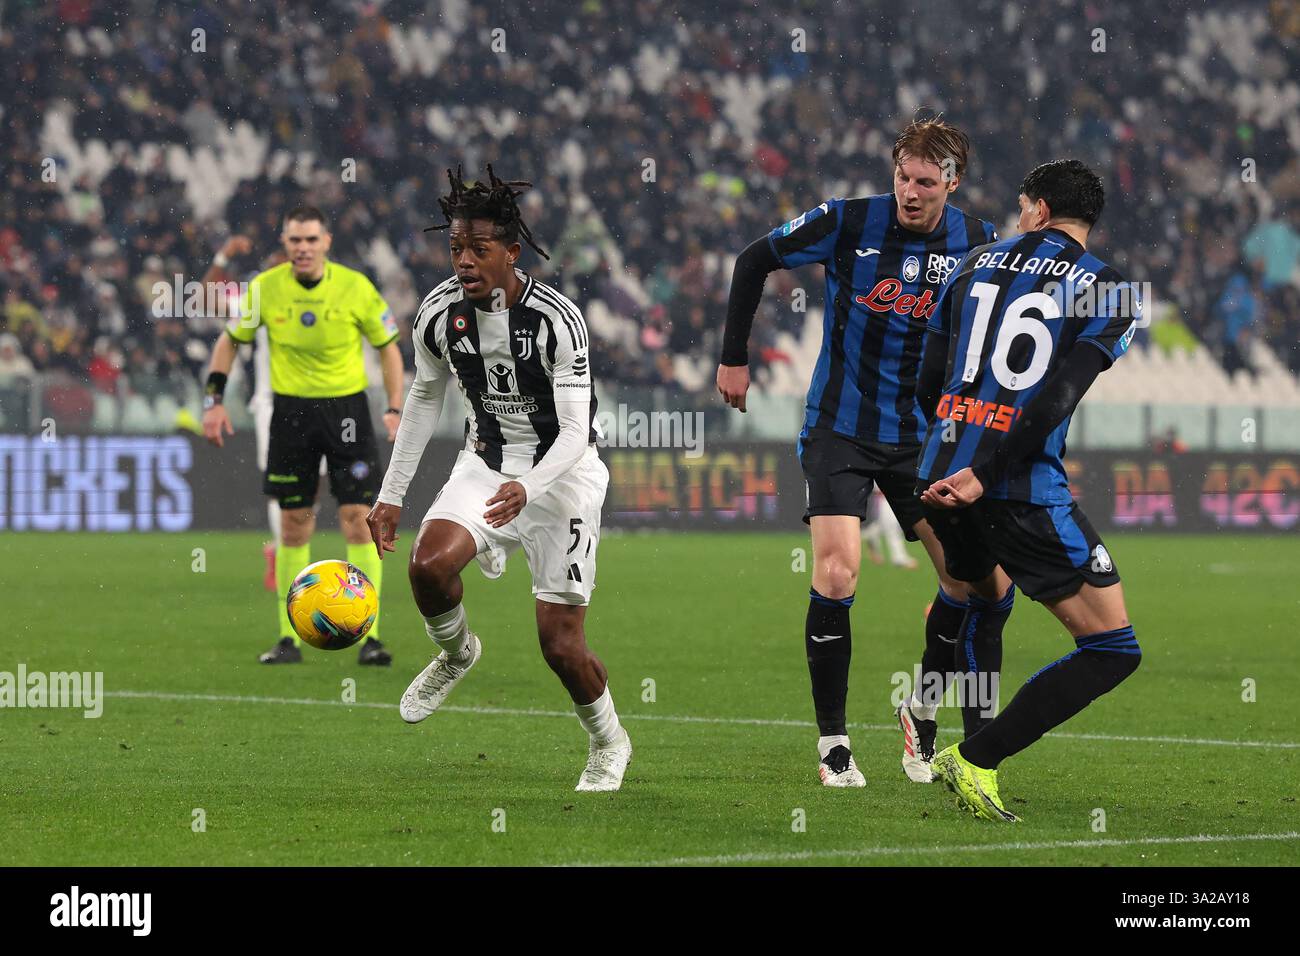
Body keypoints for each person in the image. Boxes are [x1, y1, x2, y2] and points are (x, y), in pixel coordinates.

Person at [717, 116, 1004, 787]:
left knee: (965, 584)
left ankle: (923, 710)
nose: (909, 191)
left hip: (922, 439)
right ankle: (834, 745)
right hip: (839, 429)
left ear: (951, 184)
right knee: (840, 573)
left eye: (925, 183)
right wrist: (734, 358)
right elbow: (753, 258)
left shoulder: (978, 243)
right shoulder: (847, 220)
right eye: (903, 176)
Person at [366, 167, 631, 792]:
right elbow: (423, 402)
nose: (463, 260)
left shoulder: (556, 321)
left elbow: (574, 432)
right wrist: (390, 495)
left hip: (560, 477)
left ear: (511, 252)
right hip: (485, 464)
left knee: (560, 645)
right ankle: (457, 653)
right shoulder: (437, 315)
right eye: (456, 247)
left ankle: (608, 742)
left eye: (478, 249)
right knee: (427, 567)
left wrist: (530, 488)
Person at [916, 159, 1143, 821]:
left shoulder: (973, 263)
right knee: (1112, 648)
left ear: (1040, 209)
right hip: (1011, 484)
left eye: (1021, 206)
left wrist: (958, 447)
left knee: (983, 598)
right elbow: (1058, 397)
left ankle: (944, 732)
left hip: (938, 470)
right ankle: (976, 756)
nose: (1019, 218)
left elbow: (929, 376)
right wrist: (988, 470)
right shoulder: (1106, 287)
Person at [201, 206, 405, 665]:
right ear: (285, 243)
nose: (303, 248)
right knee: (294, 523)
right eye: (295, 240)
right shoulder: (266, 288)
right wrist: (213, 401)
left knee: (358, 517)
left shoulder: (355, 286)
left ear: (326, 242)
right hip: (290, 413)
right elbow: (230, 340)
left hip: (347, 411)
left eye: (311, 239)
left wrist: (394, 407)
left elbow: (388, 349)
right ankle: (288, 637)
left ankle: (370, 634)